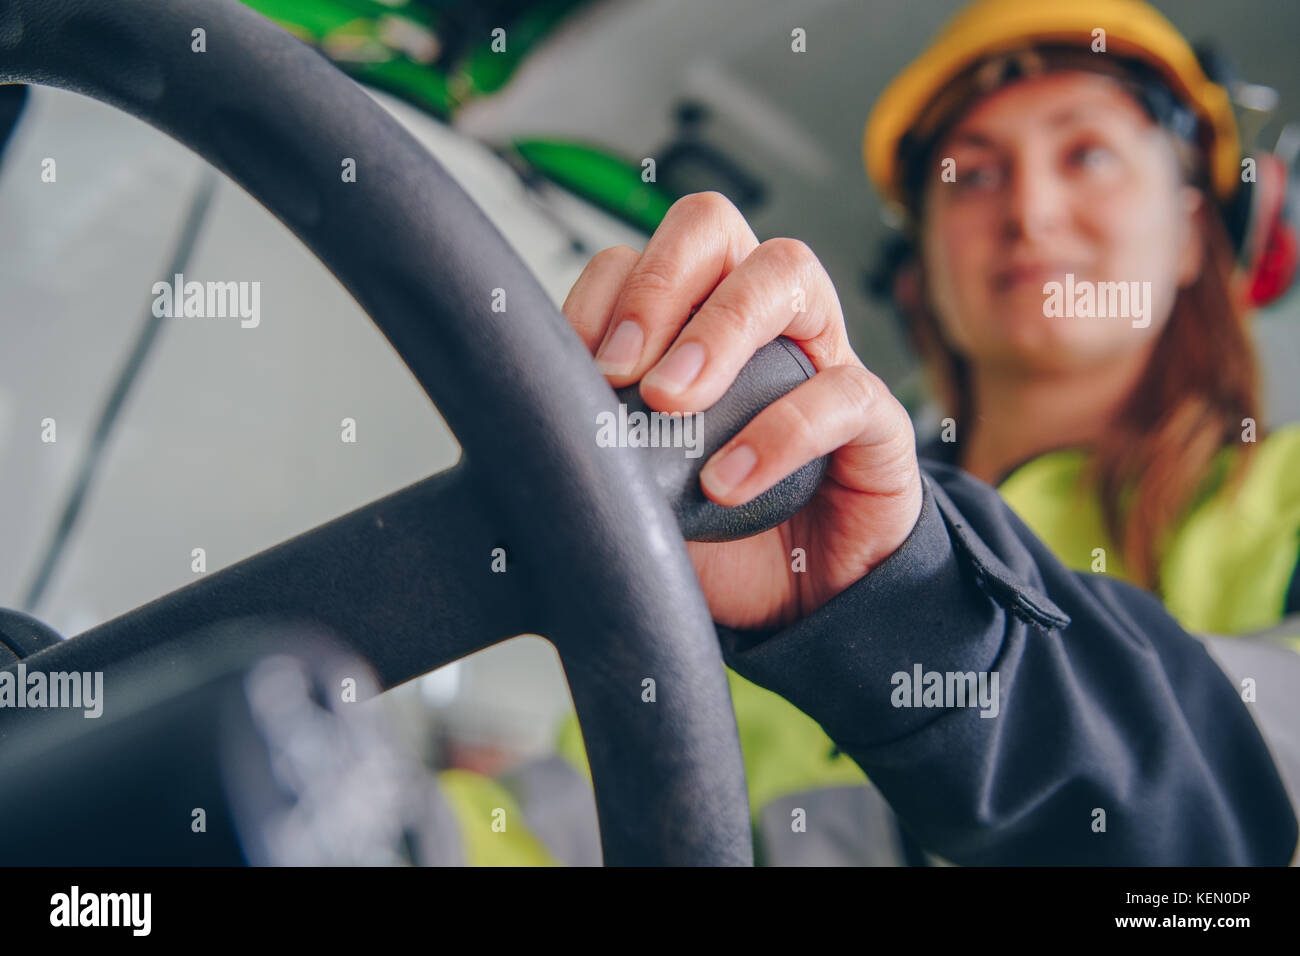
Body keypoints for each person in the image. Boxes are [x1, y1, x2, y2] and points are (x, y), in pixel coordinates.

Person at [434, 0, 1300, 865]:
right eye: (975, 174)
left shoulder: (1287, 504)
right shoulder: (766, 524)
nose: (1030, 210)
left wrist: (911, 606)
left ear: (1194, 231)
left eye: (1090, 154)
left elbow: (1257, 806)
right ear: (923, 270)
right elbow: (572, 826)